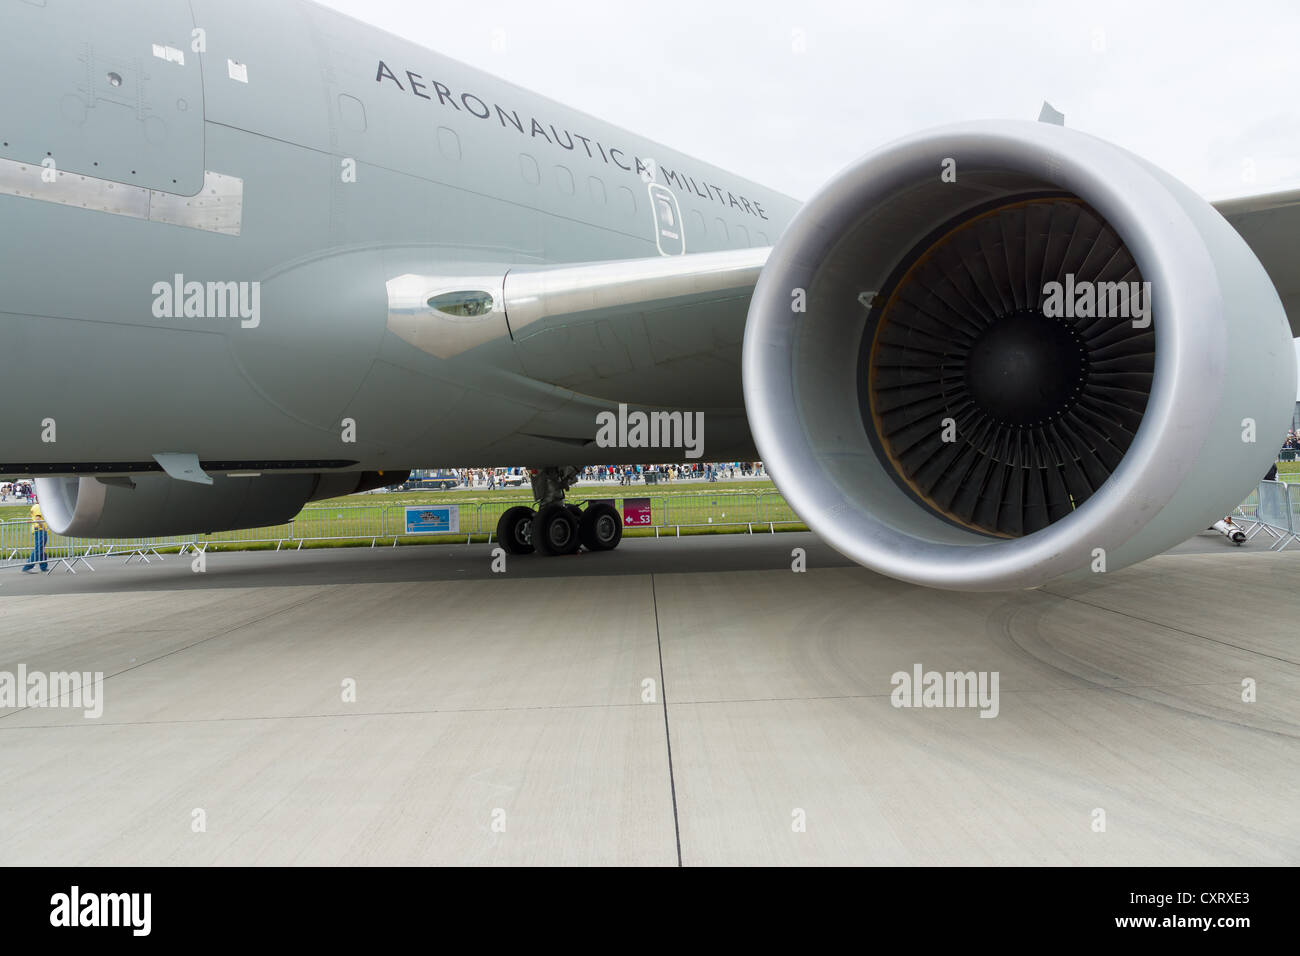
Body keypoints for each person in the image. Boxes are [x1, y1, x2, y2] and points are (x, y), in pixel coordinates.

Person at [22, 498, 49, 573]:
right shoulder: (39, 507)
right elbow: (38, 518)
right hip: (40, 530)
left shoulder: (35, 506)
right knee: (38, 549)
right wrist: (43, 527)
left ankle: (43, 566)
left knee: (40, 549)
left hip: (37, 530)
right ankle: (27, 567)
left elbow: (35, 518)